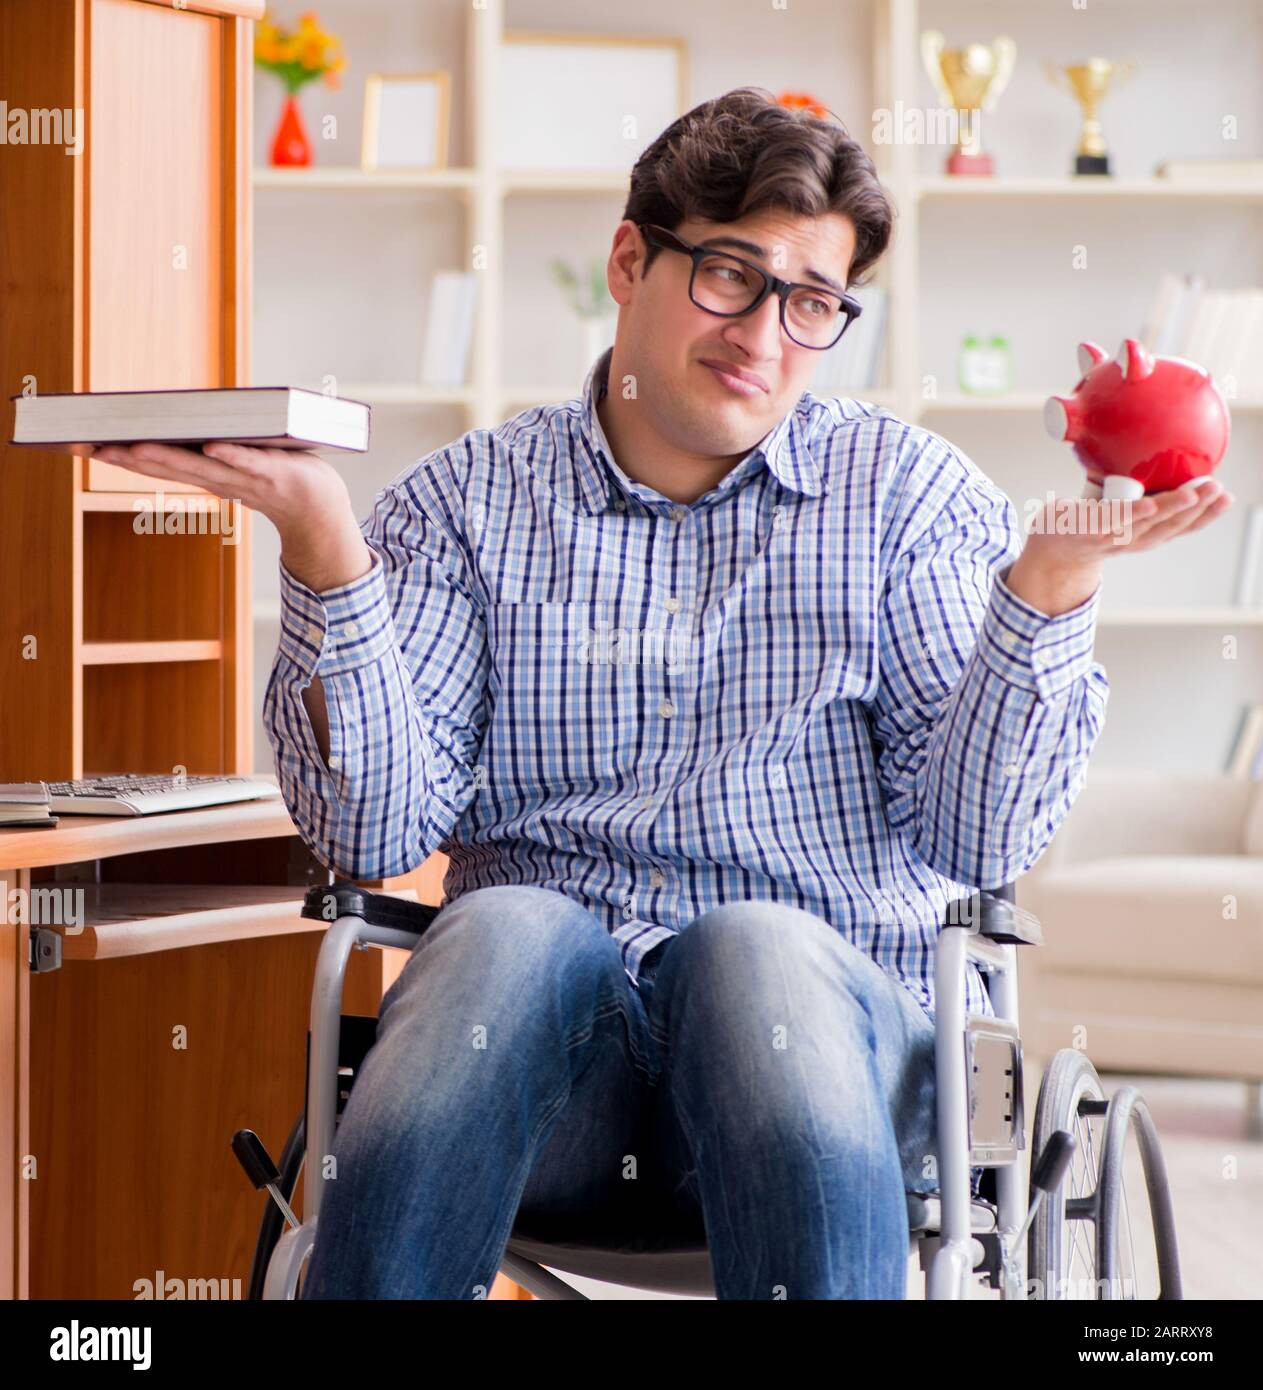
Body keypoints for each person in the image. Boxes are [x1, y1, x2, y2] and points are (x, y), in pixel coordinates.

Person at [95, 87, 1232, 1300]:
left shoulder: (911, 500)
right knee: (508, 927)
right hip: (553, 1093)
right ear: (631, 260)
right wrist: (327, 550)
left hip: (831, 1076)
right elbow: (372, 836)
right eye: (731, 275)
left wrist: (1048, 589)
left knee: (754, 950)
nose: (764, 336)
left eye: (811, 302)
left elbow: (981, 842)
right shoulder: (464, 506)